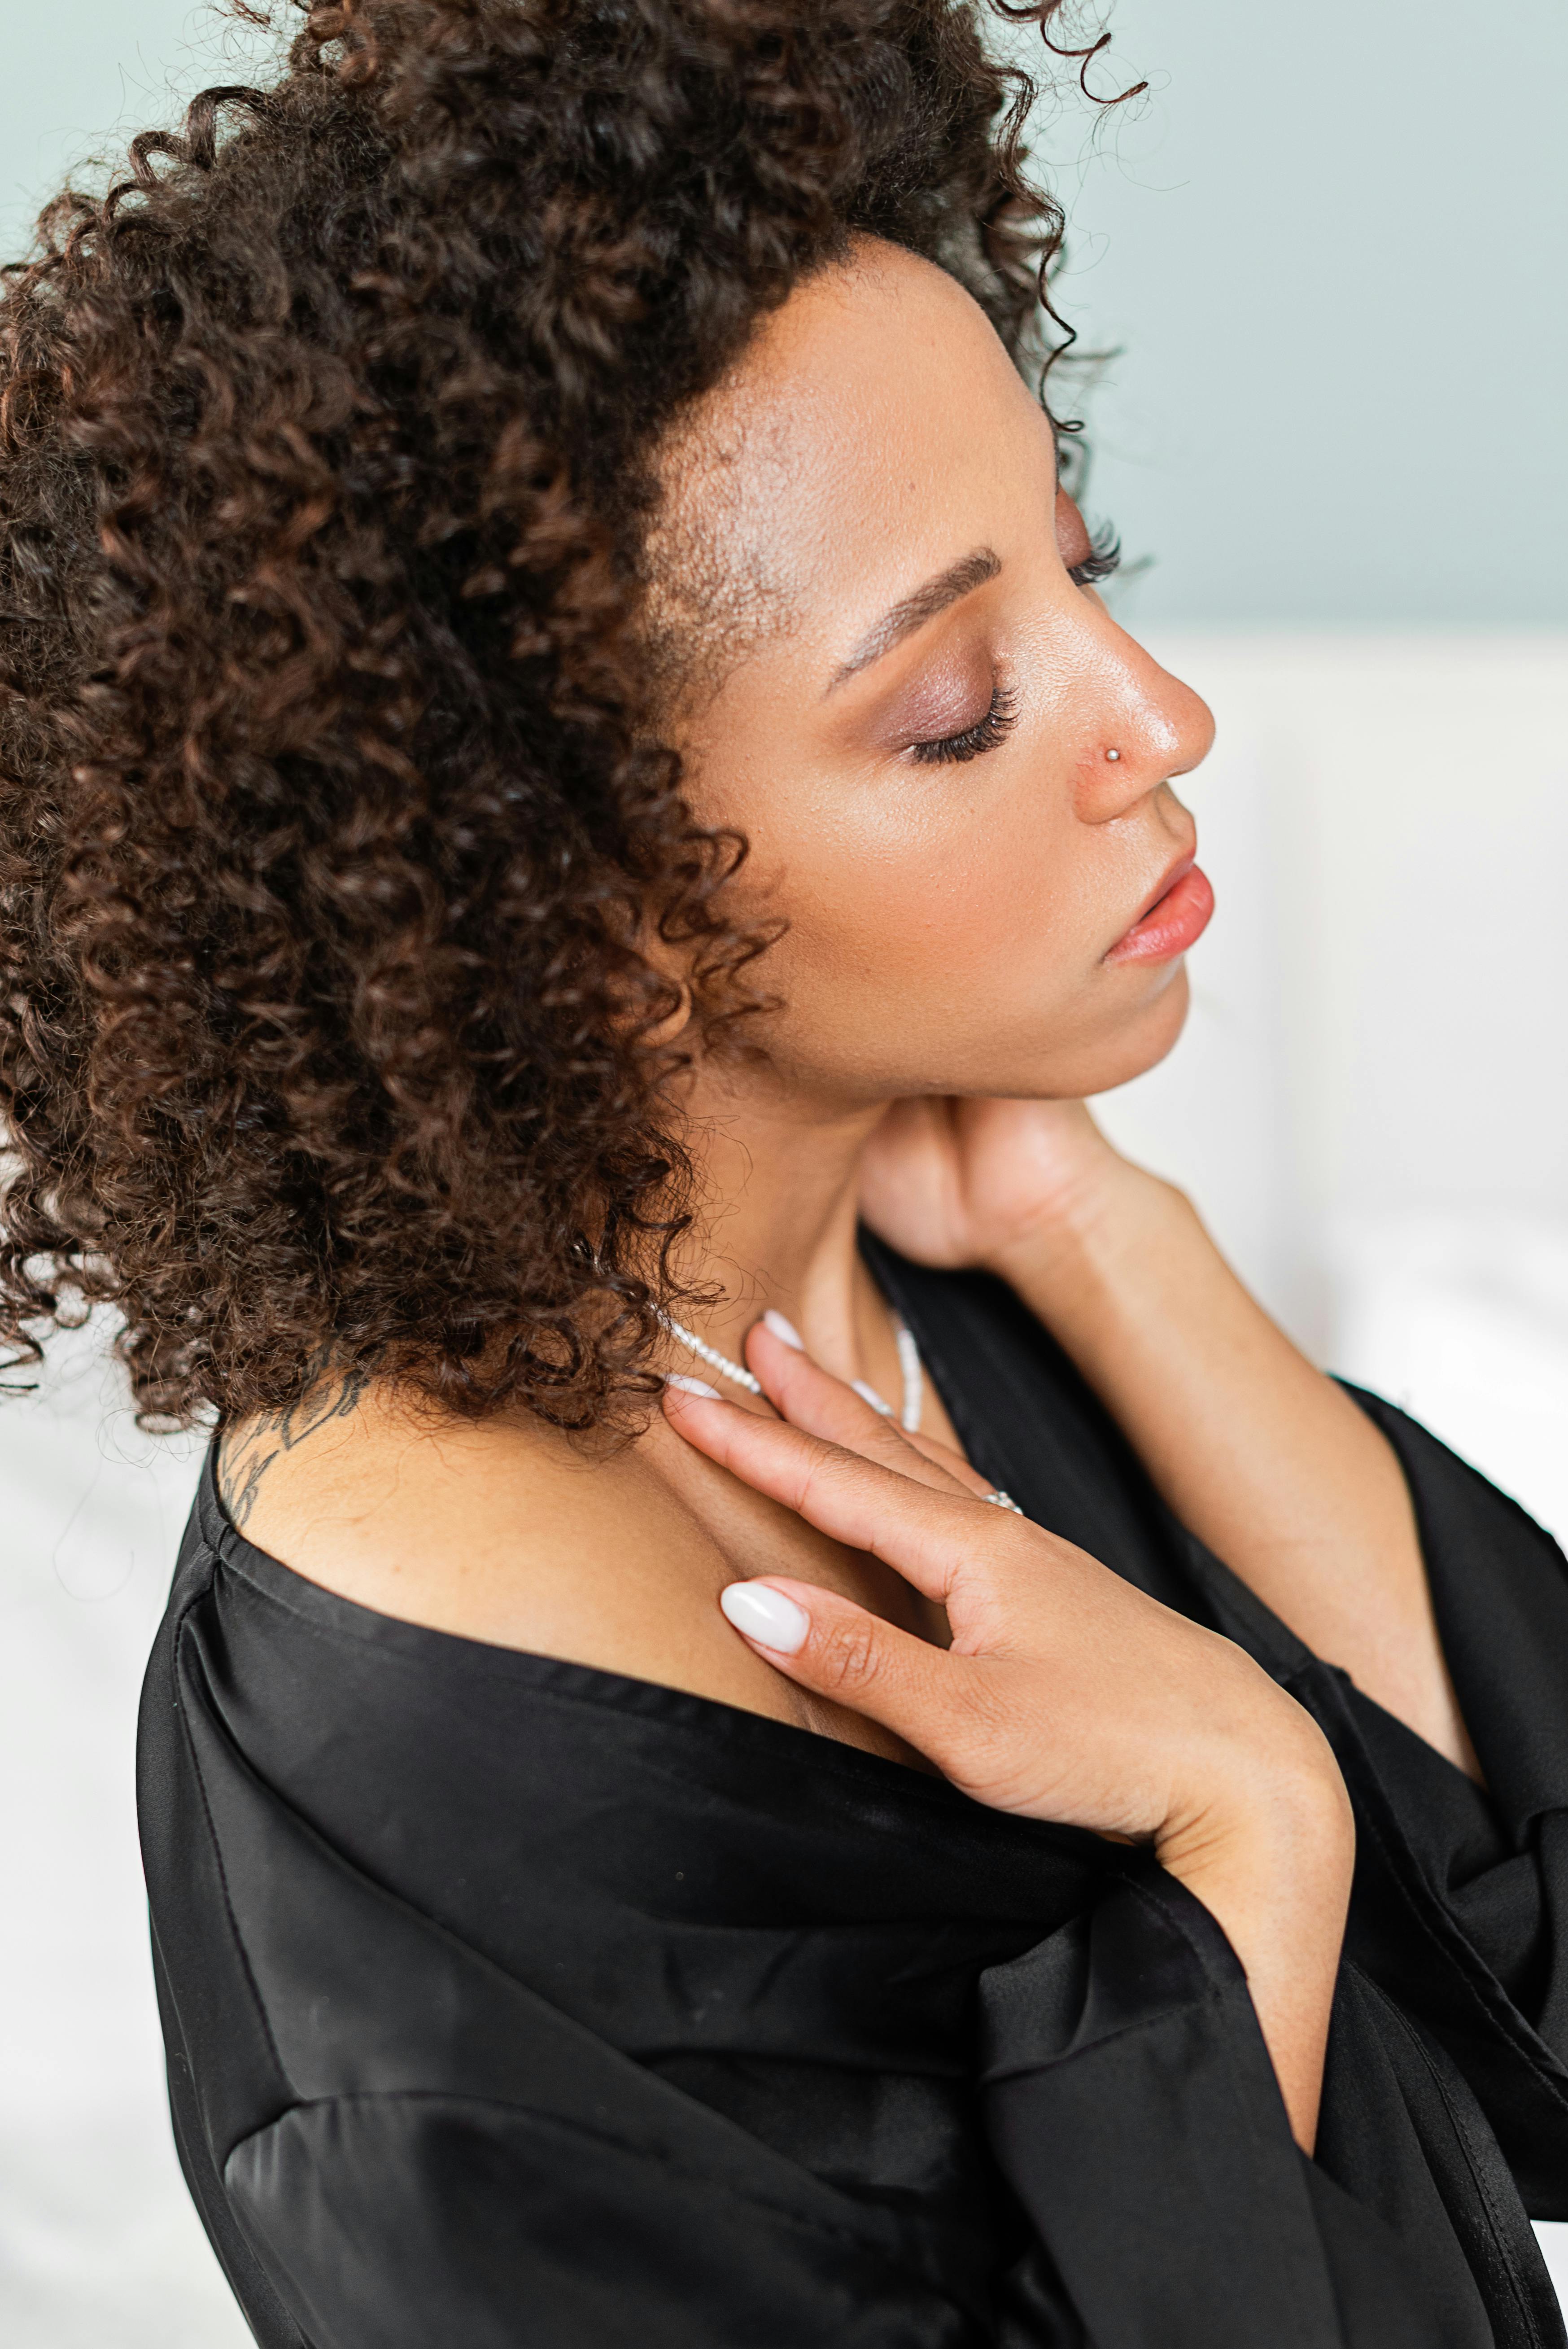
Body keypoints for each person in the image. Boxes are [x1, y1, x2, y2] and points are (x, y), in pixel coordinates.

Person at [3, 1, 1566, 2341]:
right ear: (564, 894)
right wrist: (1246, 1815)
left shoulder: (941, 1258)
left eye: (1082, 549)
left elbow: (1532, 1972)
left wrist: (1103, 1237)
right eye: (951, 707)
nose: (1158, 715)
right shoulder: (423, 1899)